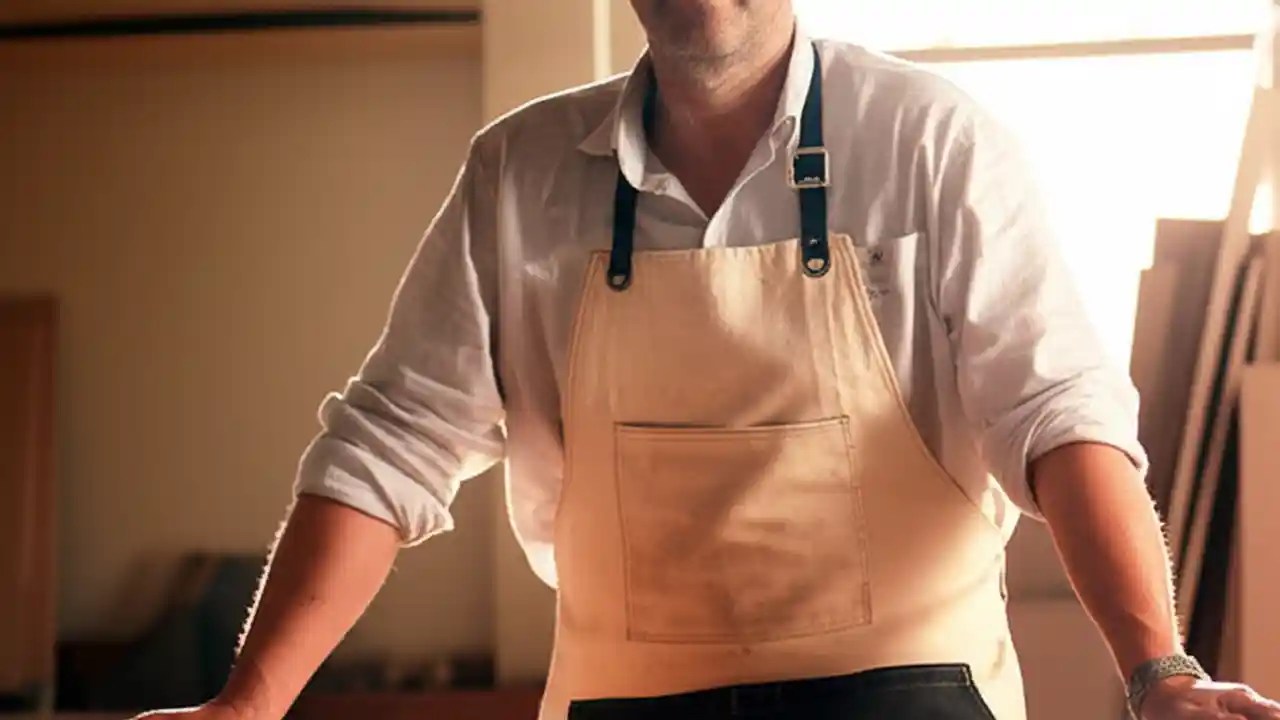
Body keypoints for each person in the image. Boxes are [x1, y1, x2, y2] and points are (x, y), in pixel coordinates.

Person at [137, 2, 1280, 719]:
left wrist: (1157, 674)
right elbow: (387, 445)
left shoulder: (931, 141)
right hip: (622, 705)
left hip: (904, 697)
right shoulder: (518, 174)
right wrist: (251, 704)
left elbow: (1057, 414)